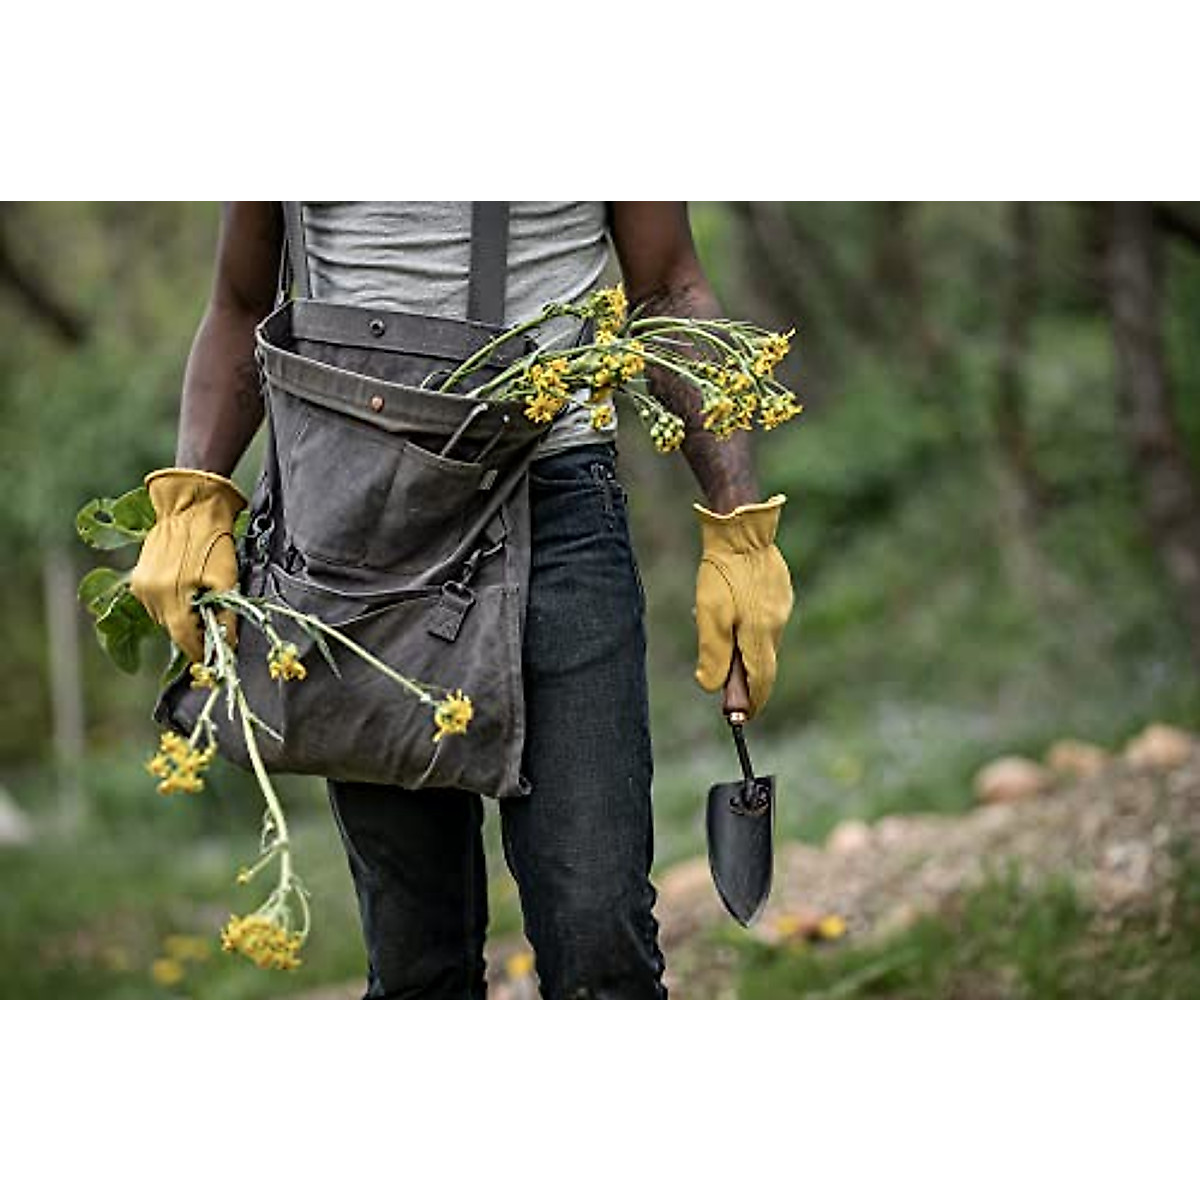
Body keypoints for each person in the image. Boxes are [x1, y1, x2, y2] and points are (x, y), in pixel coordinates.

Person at [131, 202, 795, 999]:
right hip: (357, 524)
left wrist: (739, 529)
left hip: (558, 506)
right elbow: (240, 303)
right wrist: (195, 494)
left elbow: (667, 285)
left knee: (599, 935)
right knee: (418, 961)